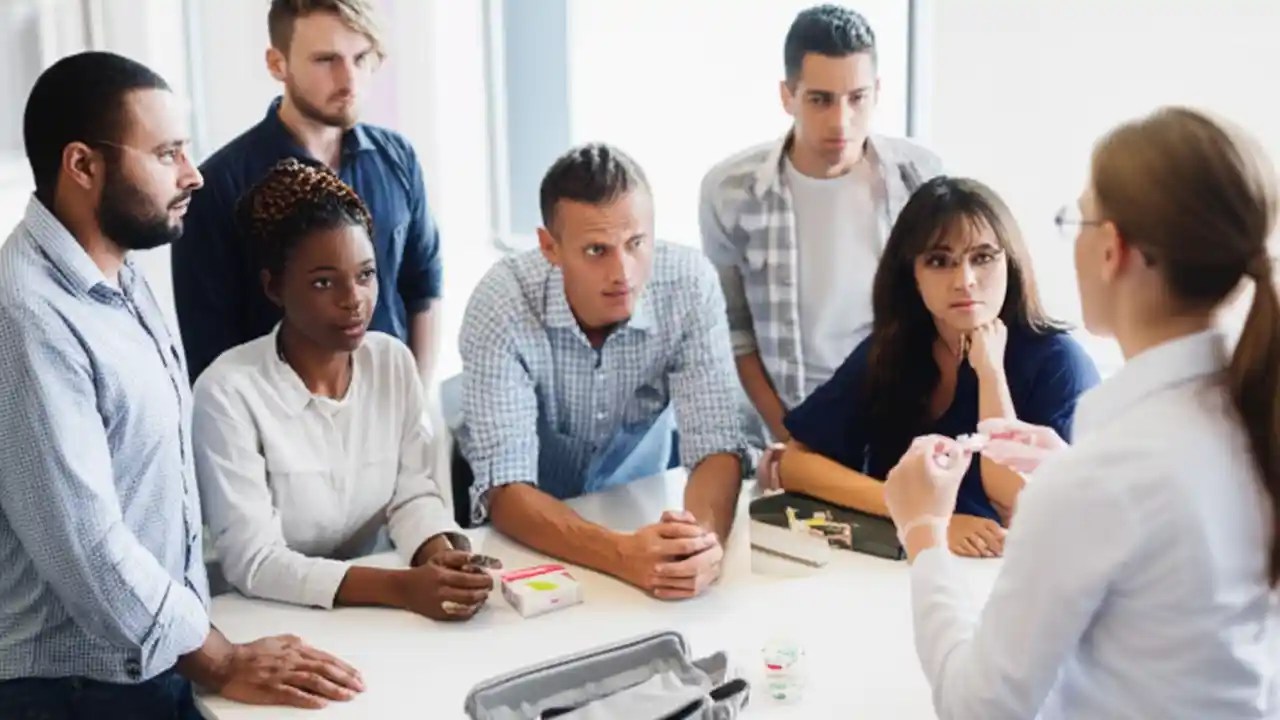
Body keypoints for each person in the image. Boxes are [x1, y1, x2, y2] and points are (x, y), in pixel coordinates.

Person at [0, 52, 363, 718]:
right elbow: (85, 546)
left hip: (155, 658)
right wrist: (219, 658)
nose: (193, 174)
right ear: (83, 166)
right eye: (166, 153)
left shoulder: (121, 276)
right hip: (73, 689)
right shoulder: (25, 316)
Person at [885, 107, 1280, 718]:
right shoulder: (1249, 418)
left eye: (1078, 219)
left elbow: (977, 707)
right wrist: (1065, 470)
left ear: (1112, 248)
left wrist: (923, 534)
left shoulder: (1104, 476)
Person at [193, 159, 494, 620]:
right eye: (323, 282)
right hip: (267, 617)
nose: (353, 299)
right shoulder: (227, 392)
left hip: (369, 612)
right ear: (274, 288)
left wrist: (439, 556)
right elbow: (253, 560)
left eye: (366, 274)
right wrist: (404, 588)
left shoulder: (391, 361)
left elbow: (412, 494)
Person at [457, 143, 750, 600]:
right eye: (597, 250)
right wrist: (620, 555)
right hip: (531, 538)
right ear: (549, 247)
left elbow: (716, 442)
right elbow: (504, 488)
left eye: (636, 244)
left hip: (640, 508)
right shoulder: (502, 301)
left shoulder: (690, 284)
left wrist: (699, 543)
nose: (623, 272)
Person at [765, 176, 1099, 557]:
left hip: (1008, 577)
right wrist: (924, 518)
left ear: (1012, 263)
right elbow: (796, 462)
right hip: (894, 567)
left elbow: (1019, 501)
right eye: (940, 261)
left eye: (983, 257)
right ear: (913, 276)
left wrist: (990, 373)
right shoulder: (891, 349)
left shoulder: (1059, 362)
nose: (965, 281)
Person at [700, 4, 943, 444]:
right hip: (781, 428)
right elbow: (734, 334)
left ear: (877, 91)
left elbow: (937, 315)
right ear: (787, 95)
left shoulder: (919, 176)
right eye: (820, 100)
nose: (841, 121)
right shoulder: (729, 191)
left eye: (857, 98)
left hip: (894, 421)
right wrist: (791, 436)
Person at [172, 0, 442, 385]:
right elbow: (210, 348)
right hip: (281, 428)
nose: (349, 80)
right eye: (325, 60)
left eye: (361, 57)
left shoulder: (398, 158)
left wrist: (418, 401)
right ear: (277, 64)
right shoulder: (219, 186)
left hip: (391, 417)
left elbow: (424, 288)